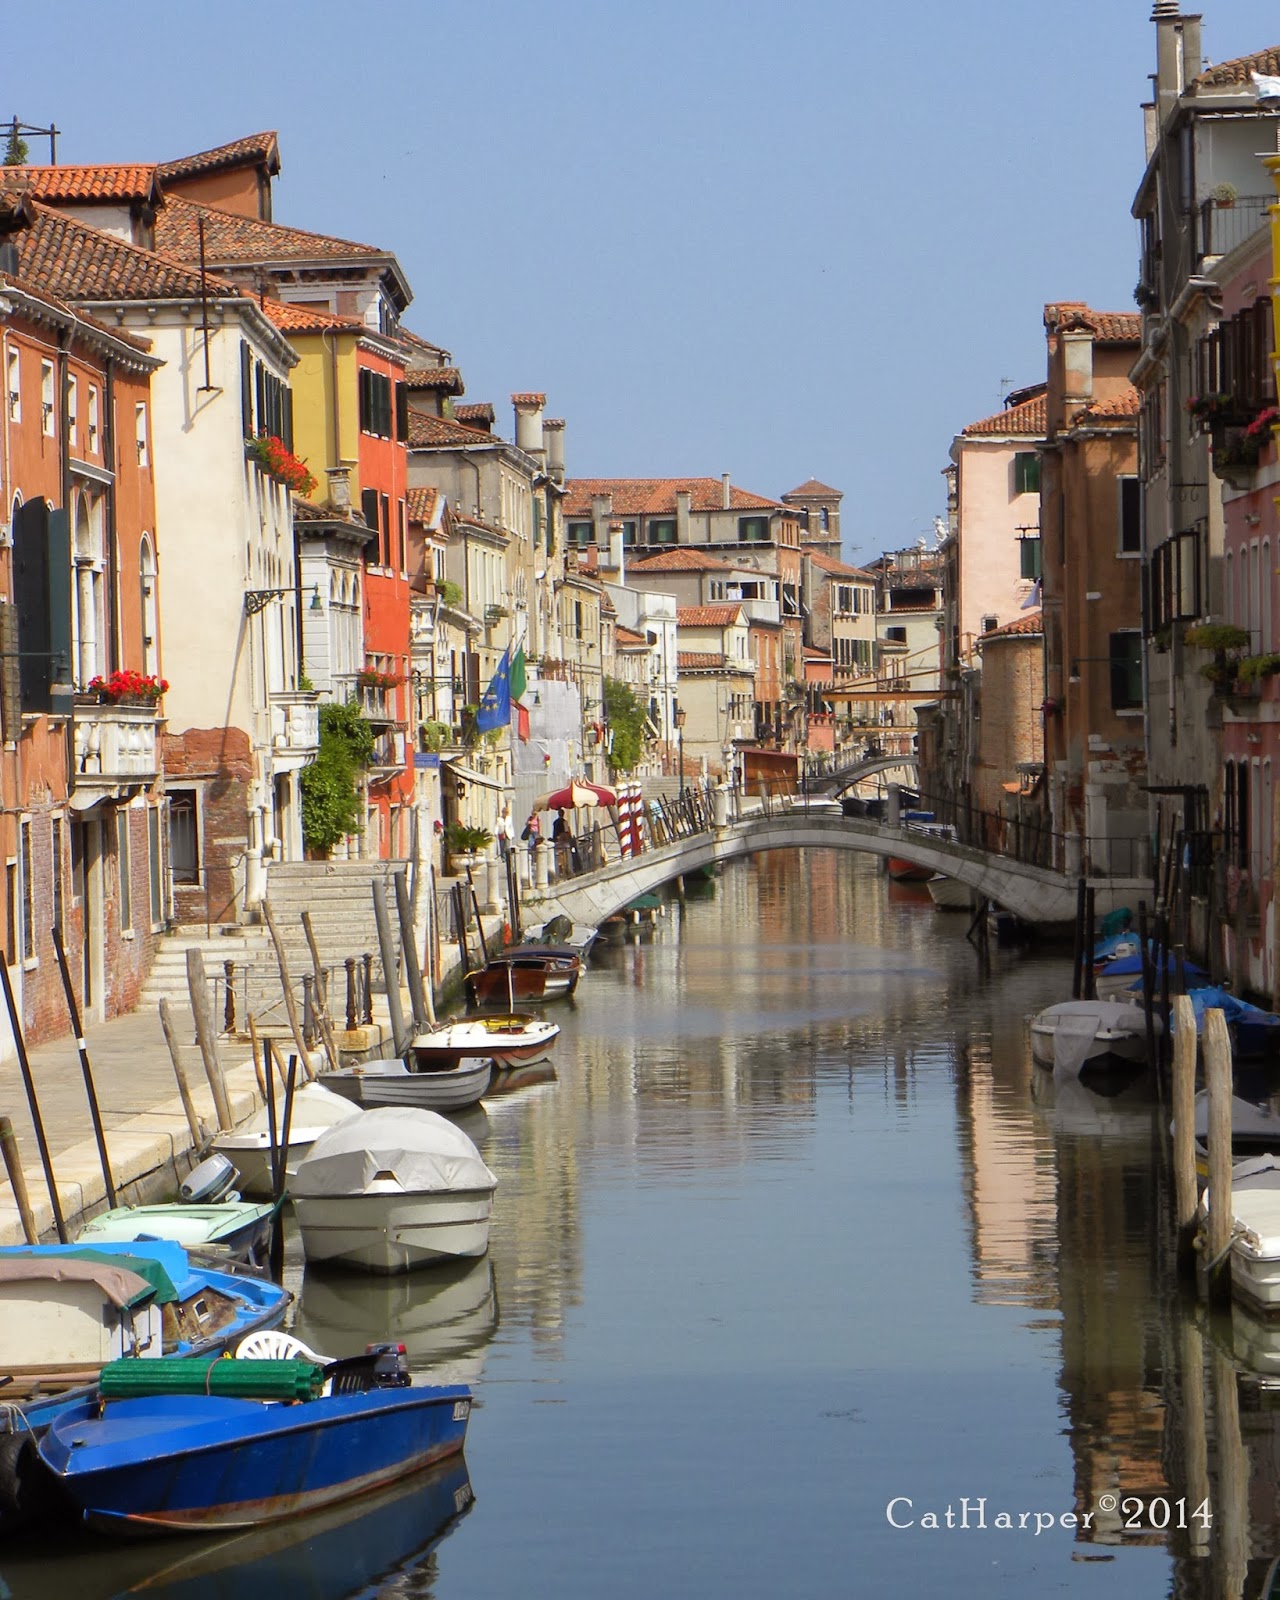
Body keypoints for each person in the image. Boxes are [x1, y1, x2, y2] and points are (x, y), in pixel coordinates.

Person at [552, 806, 574, 876]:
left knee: (559, 858)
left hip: (557, 842)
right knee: (566, 858)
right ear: (563, 814)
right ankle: (568, 871)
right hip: (564, 842)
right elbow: (567, 832)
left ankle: (560, 872)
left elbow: (554, 833)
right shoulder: (565, 822)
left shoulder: (555, 822)